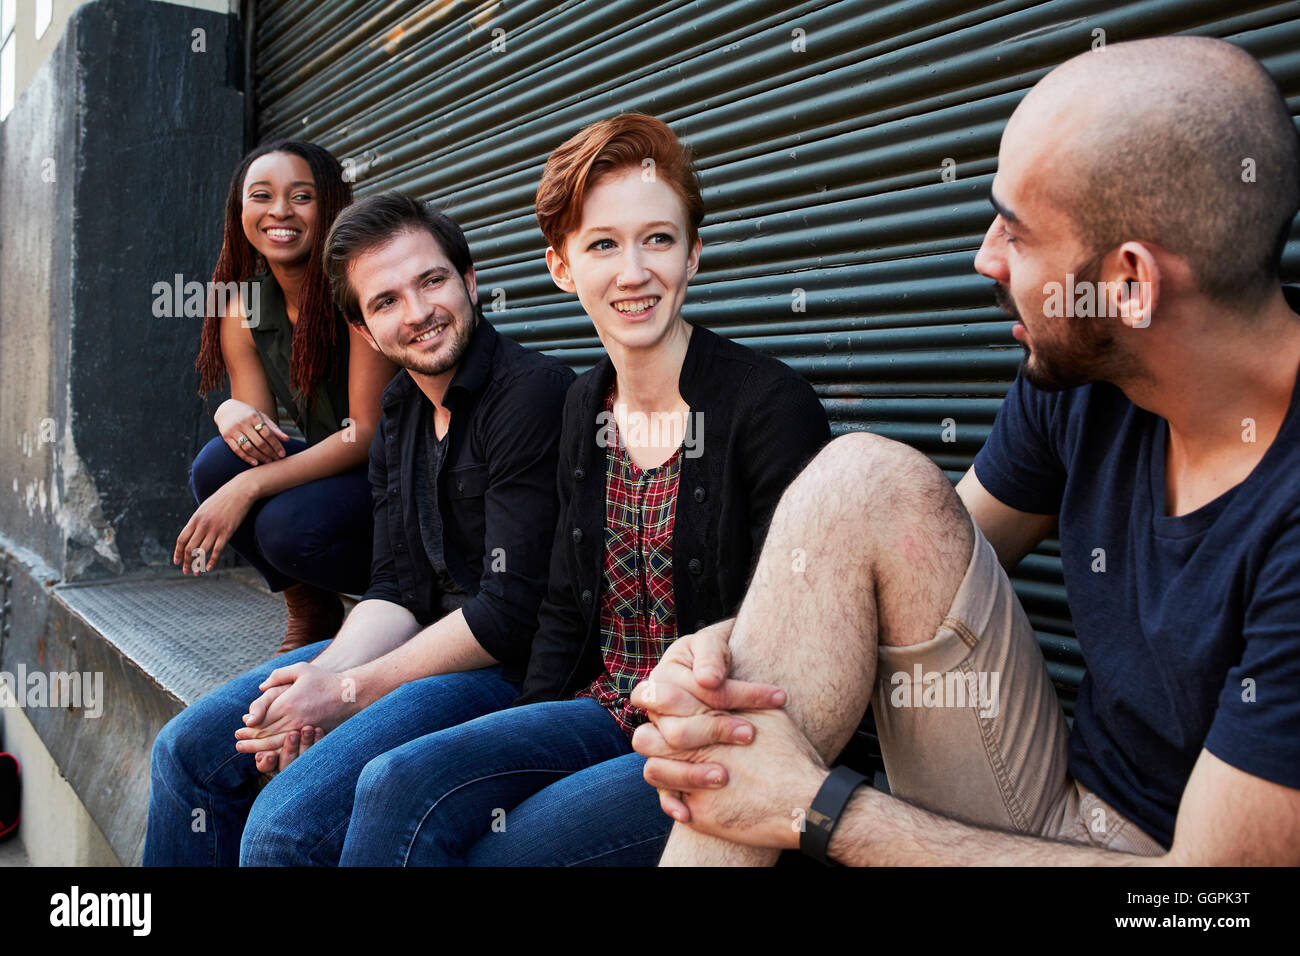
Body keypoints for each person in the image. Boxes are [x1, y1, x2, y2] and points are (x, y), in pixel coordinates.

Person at [630, 36, 1300, 867]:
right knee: (861, 480)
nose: (983, 256)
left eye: (1016, 234)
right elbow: (927, 547)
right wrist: (729, 644)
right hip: (1046, 804)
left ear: (1129, 284)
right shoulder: (1091, 373)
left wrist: (813, 807)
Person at [337, 113, 830, 866]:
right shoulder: (584, 404)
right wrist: (521, 737)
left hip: (707, 740)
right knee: (393, 780)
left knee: (494, 857)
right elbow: (565, 609)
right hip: (602, 711)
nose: (633, 272)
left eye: (658, 240)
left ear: (694, 254)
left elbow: (796, 640)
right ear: (562, 267)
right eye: (603, 244)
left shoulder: (767, 407)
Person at [145, 193, 574, 866]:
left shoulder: (533, 395)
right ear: (367, 333)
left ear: (468, 282)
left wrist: (347, 692)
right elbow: (395, 583)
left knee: (283, 830)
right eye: (385, 301)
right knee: (184, 753)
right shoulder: (401, 408)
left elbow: (511, 614)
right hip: (413, 647)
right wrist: (321, 678)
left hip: (506, 673)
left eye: (431, 281)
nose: (418, 312)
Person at [181, 140, 398, 654]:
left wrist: (248, 489)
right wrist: (228, 410)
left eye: (301, 196)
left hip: (401, 480)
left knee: (284, 526)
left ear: (330, 206)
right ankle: (311, 608)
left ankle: (405, 600)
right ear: (241, 212)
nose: (280, 211)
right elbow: (257, 436)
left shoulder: (358, 288)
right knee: (217, 465)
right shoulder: (244, 305)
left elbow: (365, 434)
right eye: (262, 195)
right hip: (342, 476)